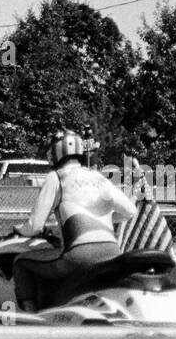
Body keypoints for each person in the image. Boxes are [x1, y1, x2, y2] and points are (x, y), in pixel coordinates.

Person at [11, 130, 137, 313]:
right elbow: (130, 212)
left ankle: (31, 319)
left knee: (21, 263)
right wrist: (107, 217)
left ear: (54, 153)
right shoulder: (98, 177)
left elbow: (35, 226)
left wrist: (19, 229)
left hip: (79, 257)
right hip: (112, 253)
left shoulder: (56, 177)